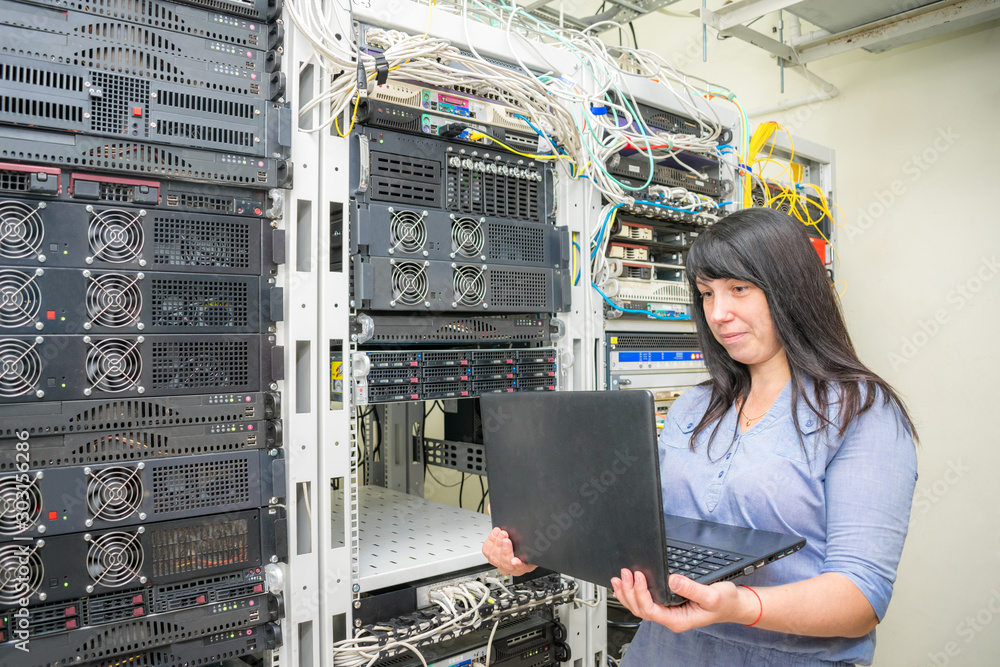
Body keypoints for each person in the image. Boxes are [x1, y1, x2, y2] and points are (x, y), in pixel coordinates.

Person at [482, 208, 918, 666]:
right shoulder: (695, 406)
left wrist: (742, 606)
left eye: (739, 289)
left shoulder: (862, 413)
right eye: (707, 294)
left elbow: (861, 599)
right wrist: (538, 546)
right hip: (664, 652)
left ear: (792, 289)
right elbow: (631, 532)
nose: (718, 313)